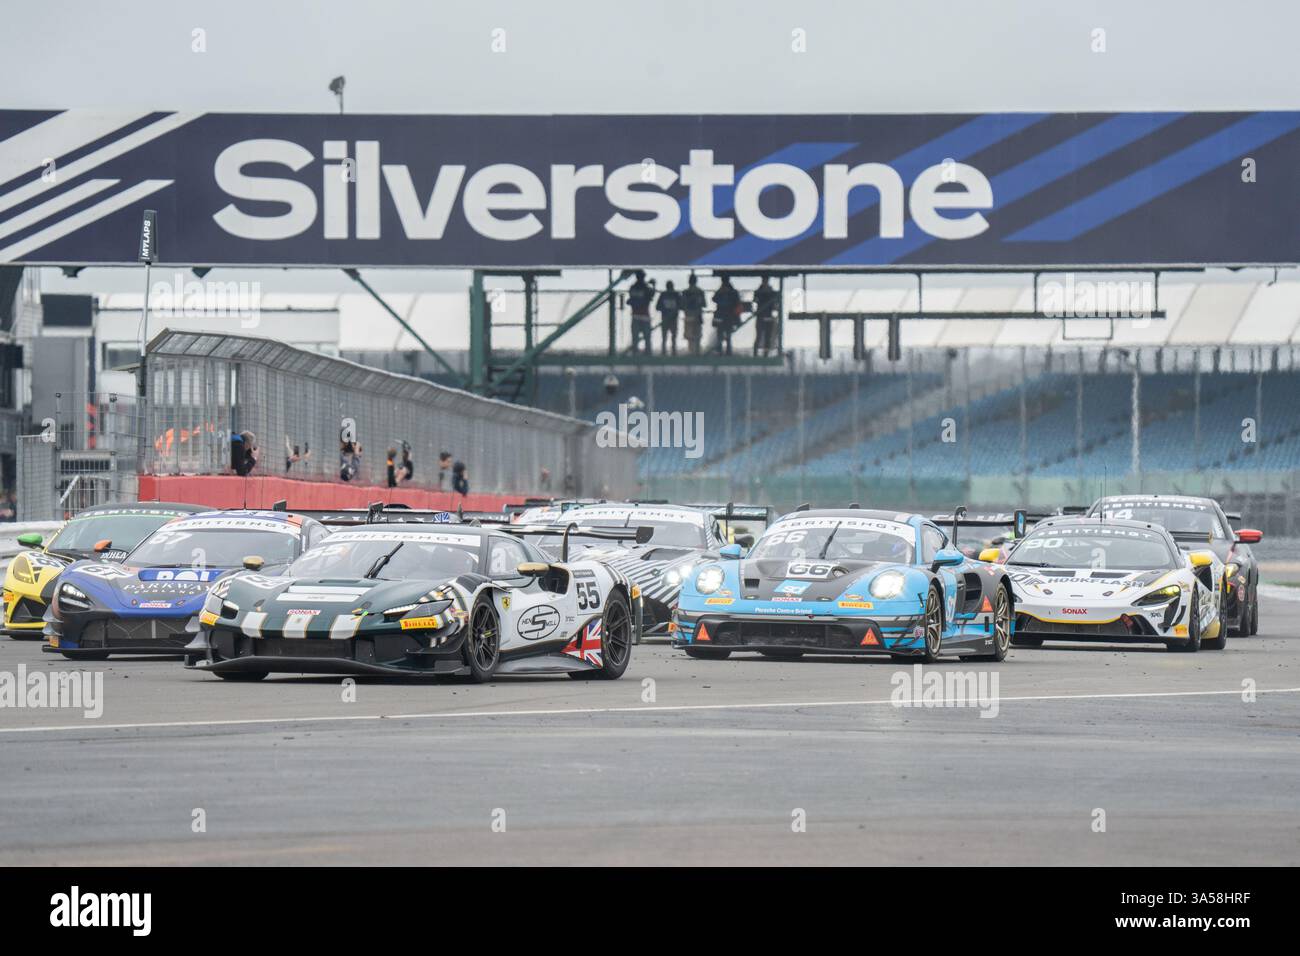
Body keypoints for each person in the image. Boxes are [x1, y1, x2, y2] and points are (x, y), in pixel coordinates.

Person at [627, 270, 655, 355]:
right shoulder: (646, 288)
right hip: (644, 316)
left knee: (636, 337)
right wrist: (653, 286)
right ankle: (647, 352)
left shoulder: (633, 288)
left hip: (636, 315)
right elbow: (651, 296)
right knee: (646, 337)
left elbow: (630, 299)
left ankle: (636, 352)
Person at [711, 276, 741, 355]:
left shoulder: (730, 291)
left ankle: (724, 351)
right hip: (725, 316)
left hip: (725, 316)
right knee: (724, 335)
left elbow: (714, 299)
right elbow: (714, 299)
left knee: (724, 335)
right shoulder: (725, 291)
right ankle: (725, 351)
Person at [752, 275, 779, 356]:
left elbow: (775, 303)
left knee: (768, 336)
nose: (765, 282)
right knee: (759, 336)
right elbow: (755, 300)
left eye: (766, 280)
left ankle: (765, 354)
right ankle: (755, 354)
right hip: (760, 316)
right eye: (764, 280)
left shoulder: (772, 292)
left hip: (768, 316)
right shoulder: (758, 291)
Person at [681, 273, 706, 355]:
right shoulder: (700, 292)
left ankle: (691, 352)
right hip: (698, 315)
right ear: (696, 281)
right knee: (697, 335)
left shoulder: (685, 292)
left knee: (690, 335)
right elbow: (704, 304)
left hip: (688, 315)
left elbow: (682, 305)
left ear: (689, 281)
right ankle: (697, 352)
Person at [656, 280, 681, 355]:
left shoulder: (663, 295)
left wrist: (665, 310)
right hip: (672, 318)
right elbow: (681, 305)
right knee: (672, 337)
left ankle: (664, 352)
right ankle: (673, 352)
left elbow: (658, 307)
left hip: (666, 318)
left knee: (665, 337)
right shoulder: (676, 295)